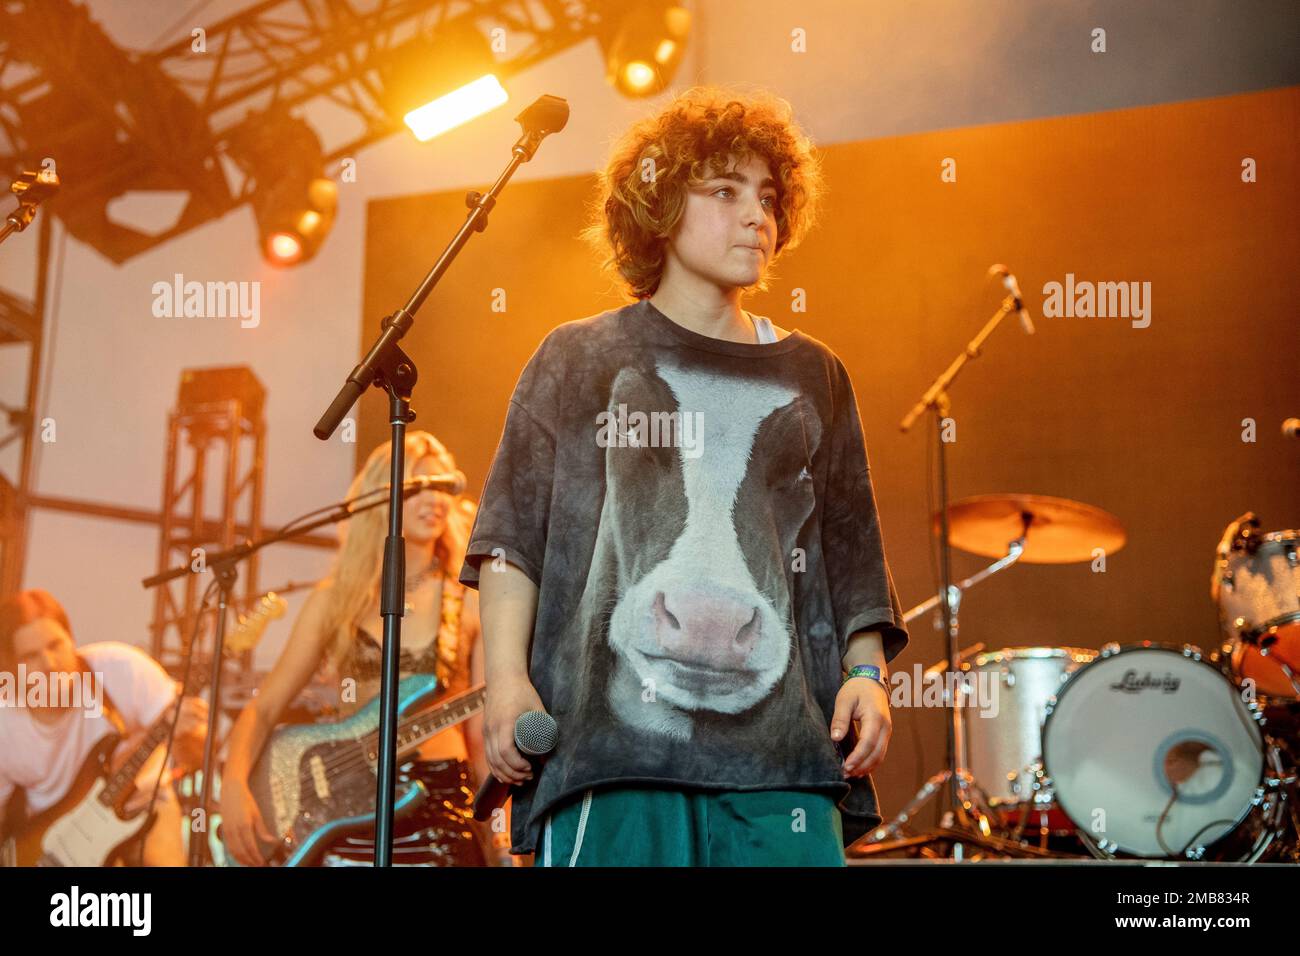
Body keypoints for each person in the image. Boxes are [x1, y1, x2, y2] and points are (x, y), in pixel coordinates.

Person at [460, 84, 910, 866]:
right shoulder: (577, 358)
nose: (756, 218)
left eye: (769, 198)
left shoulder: (816, 374)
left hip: (782, 764)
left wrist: (867, 672)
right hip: (610, 753)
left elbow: (852, 554)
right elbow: (511, 541)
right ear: (659, 206)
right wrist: (505, 683)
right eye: (725, 191)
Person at [219, 431, 507, 866]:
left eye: (444, 486)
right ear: (382, 496)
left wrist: (500, 834)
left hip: (442, 798)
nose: (436, 498)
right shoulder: (335, 600)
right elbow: (263, 708)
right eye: (419, 485)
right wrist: (233, 785)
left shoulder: (469, 599)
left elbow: (485, 736)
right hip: (347, 803)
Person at [0, 588, 208, 866]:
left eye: (55, 646)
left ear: (72, 640)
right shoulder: (5, 726)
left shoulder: (122, 669)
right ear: (10, 665)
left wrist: (187, 735)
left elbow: (196, 756)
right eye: (30, 656)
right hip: (57, 841)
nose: (49, 664)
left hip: (144, 807)